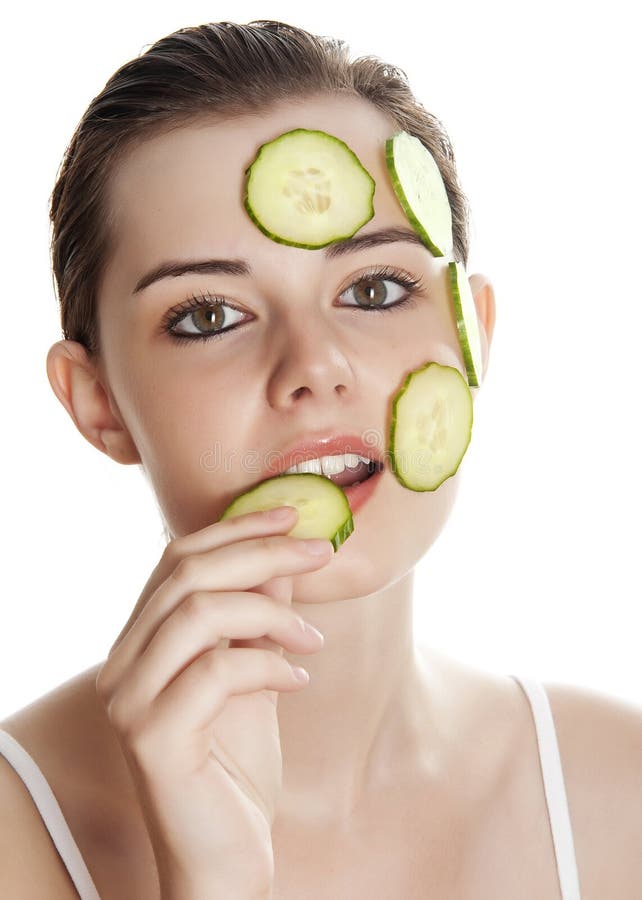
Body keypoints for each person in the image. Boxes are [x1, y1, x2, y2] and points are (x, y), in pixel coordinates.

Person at [0, 19, 640, 900]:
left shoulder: (624, 793)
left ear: (472, 336)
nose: (313, 367)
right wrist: (214, 880)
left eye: (374, 289)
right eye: (209, 316)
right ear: (96, 402)